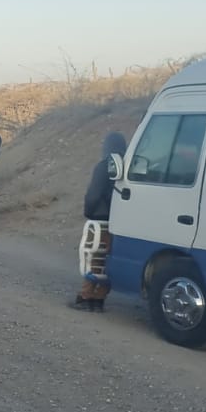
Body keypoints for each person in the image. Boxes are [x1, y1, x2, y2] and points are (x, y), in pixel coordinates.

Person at [73, 132, 129, 311]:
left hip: (99, 219)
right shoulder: (128, 166)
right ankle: (99, 299)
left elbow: (93, 195)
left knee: (93, 256)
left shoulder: (104, 166)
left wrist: (88, 212)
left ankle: (85, 296)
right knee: (110, 260)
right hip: (121, 221)